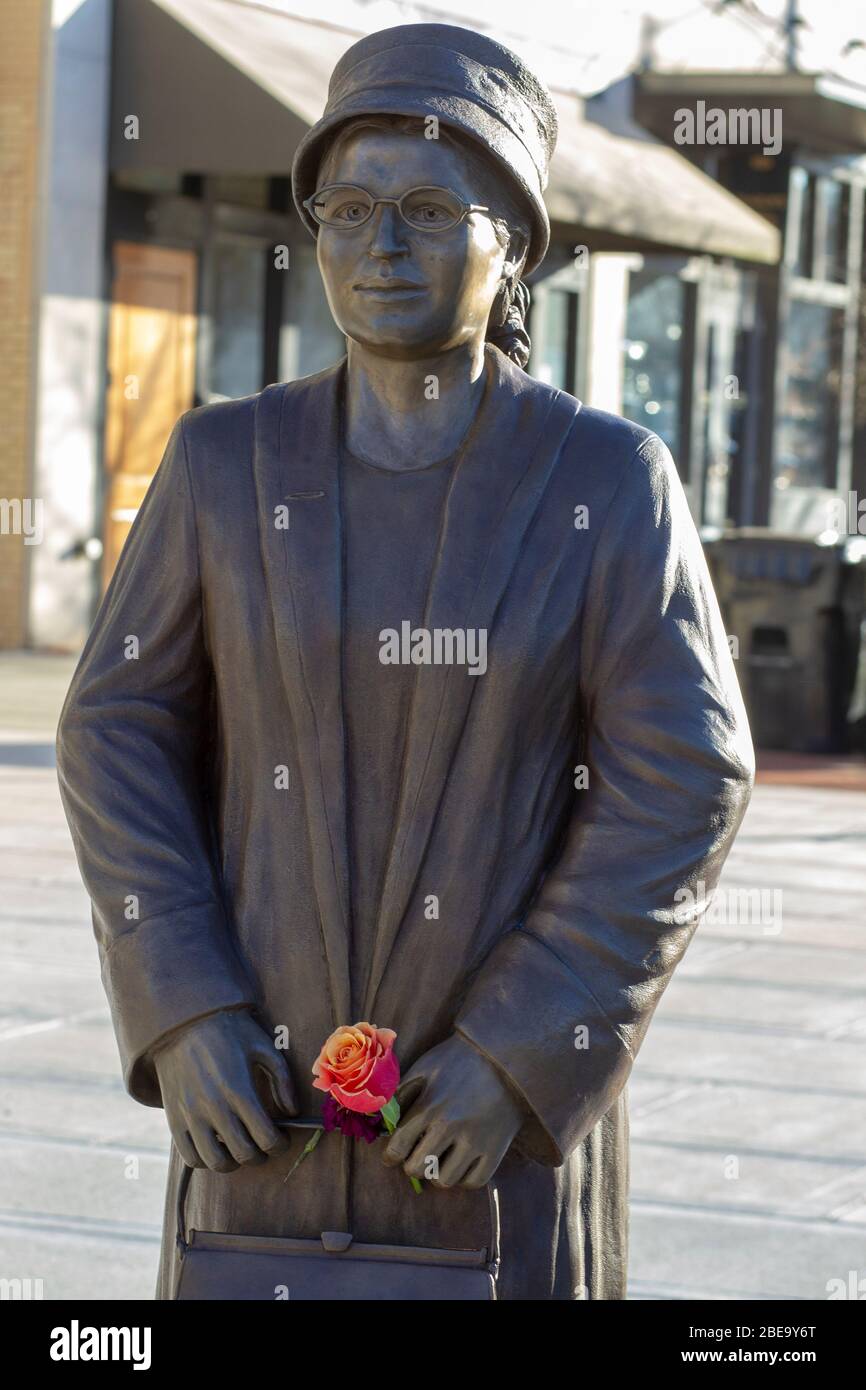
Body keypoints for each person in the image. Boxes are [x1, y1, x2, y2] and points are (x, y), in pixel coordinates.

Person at [56, 23, 753, 1300]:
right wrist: (185, 1005)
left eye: (430, 209)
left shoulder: (604, 482)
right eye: (350, 207)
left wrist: (521, 1046)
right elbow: (116, 729)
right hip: (255, 1101)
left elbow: (683, 780)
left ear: (515, 245)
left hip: (488, 1137)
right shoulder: (226, 465)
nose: (380, 246)